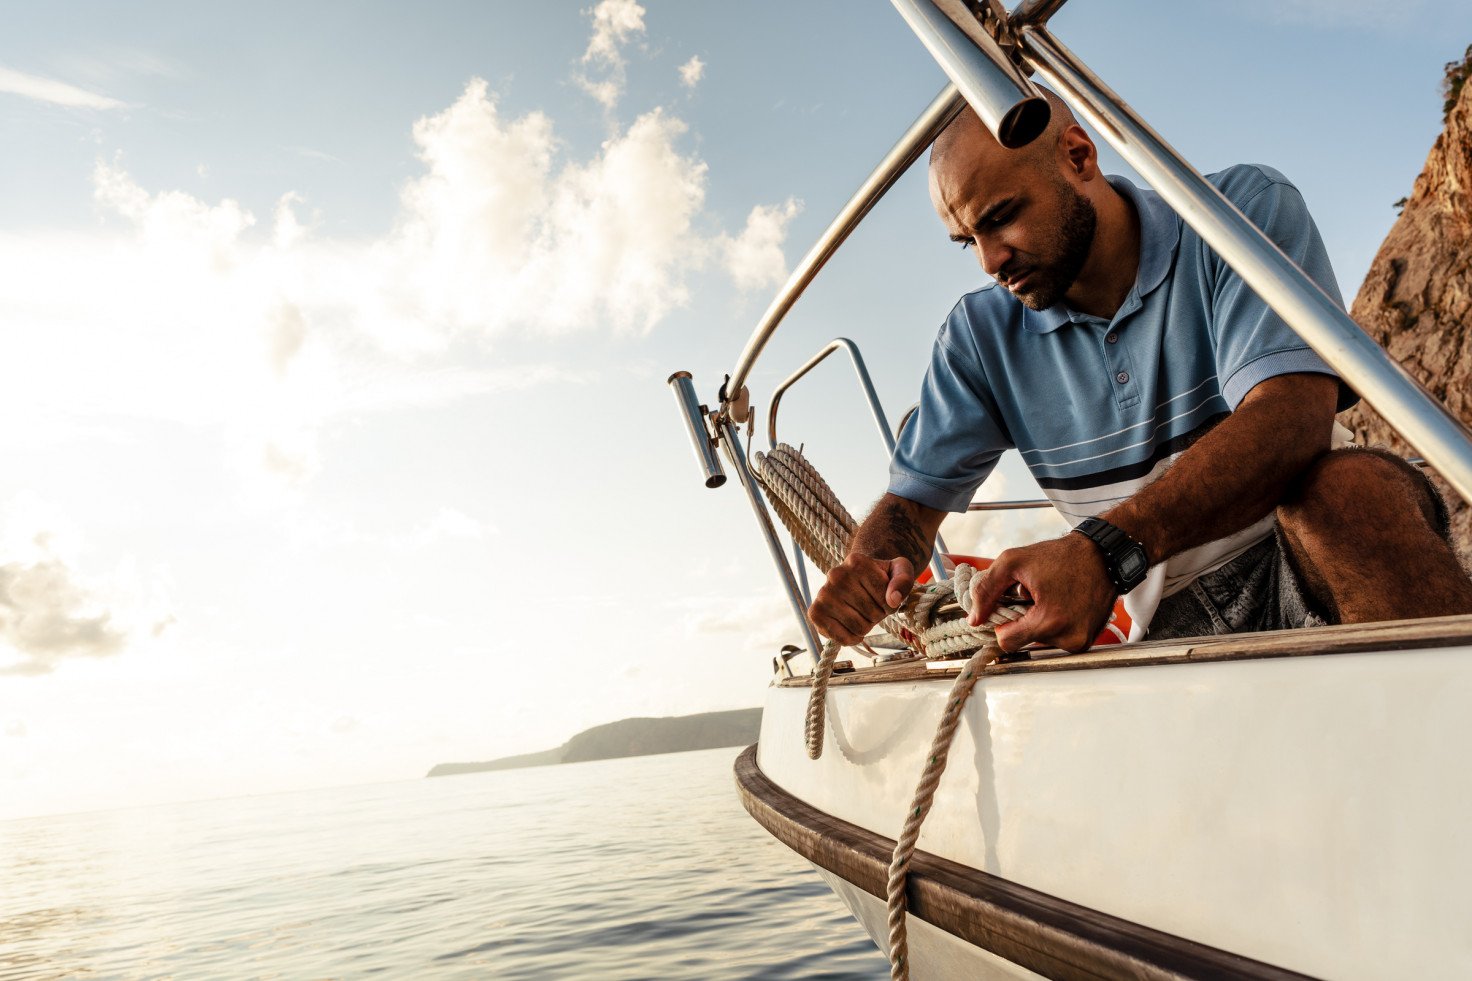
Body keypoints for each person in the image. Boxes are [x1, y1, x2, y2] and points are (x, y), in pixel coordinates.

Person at [808, 93, 1472, 655]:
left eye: (1001, 217)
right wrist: (873, 566)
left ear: (1078, 156)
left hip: (1310, 553)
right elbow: (909, 507)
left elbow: (1291, 417)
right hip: (1166, 615)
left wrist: (1102, 552)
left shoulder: (1237, 214)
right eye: (967, 241)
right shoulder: (979, 338)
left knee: (1346, 491)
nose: (989, 260)